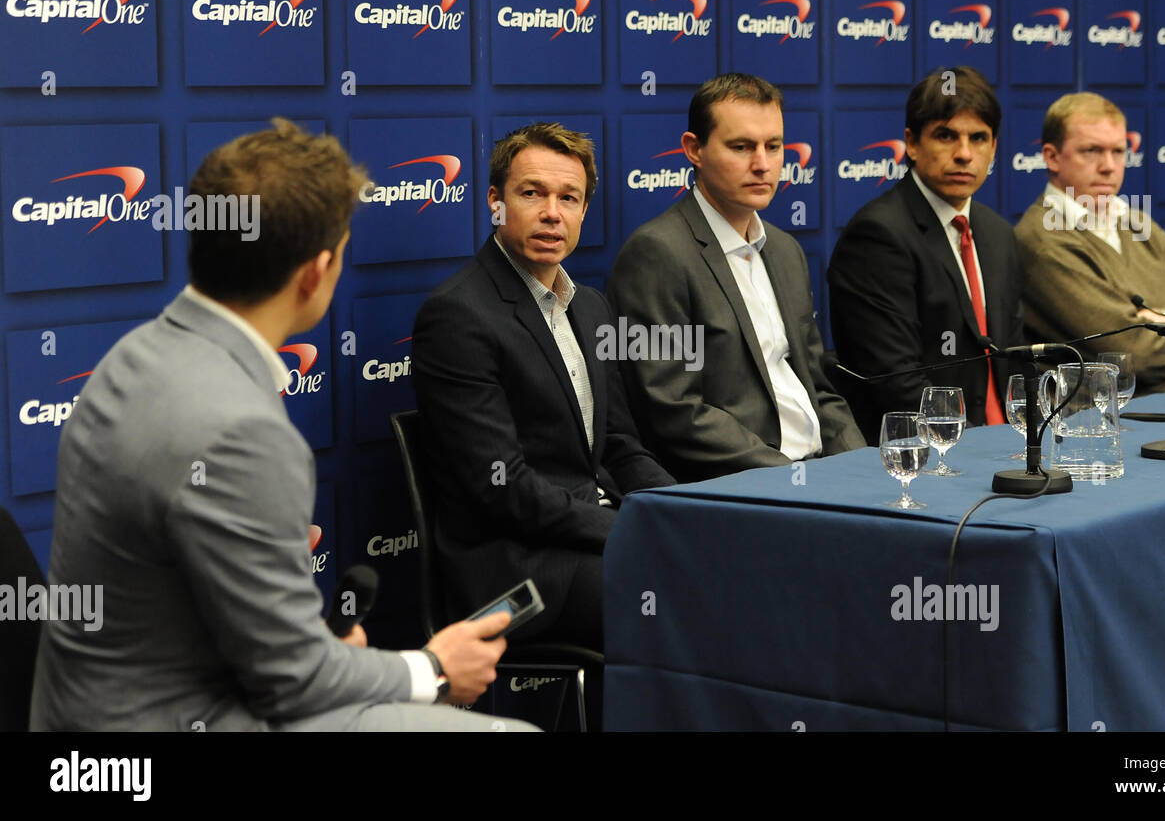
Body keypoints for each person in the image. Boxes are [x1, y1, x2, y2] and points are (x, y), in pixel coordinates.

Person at [31, 119, 527, 731]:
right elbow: (295, 684)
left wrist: (313, 649)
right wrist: (432, 668)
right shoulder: (242, 435)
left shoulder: (131, 355)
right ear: (315, 274)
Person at [412, 123, 674, 653]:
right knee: (684, 596)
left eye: (568, 198)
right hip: (515, 572)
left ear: (582, 211)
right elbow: (500, 487)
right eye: (531, 193)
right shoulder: (458, 315)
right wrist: (624, 528)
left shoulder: (592, 306)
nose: (551, 212)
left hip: (592, 539)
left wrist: (683, 512)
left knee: (734, 566)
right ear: (495, 202)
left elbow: (621, 447)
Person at [607, 73, 864, 482]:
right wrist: (795, 477)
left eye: (774, 146)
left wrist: (859, 466)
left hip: (818, 476)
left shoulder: (785, 250)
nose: (762, 164)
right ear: (694, 150)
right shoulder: (656, 254)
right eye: (741, 147)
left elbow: (820, 388)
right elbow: (673, 409)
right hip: (744, 487)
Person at [828, 66, 1023, 439]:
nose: (964, 154)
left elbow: (1012, 360)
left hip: (1009, 447)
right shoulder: (878, 235)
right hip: (927, 452)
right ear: (912, 144)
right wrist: (979, 446)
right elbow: (896, 383)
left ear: (994, 148)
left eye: (978, 138)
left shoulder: (999, 234)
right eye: (946, 136)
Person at [1015, 92, 1165, 393]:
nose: (1108, 166)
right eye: (1091, 151)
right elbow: (1134, 354)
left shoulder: (1137, 222)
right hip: (1105, 425)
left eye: (1118, 151)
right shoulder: (1042, 239)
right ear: (1052, 157)